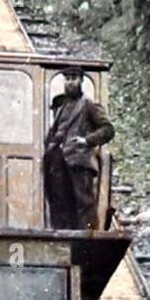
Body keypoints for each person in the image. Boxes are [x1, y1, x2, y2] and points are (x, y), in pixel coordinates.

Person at [43, 69, 114, 231]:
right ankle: (62, 237)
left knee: (84, 204)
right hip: (58, 162)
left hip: (79, 162)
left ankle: (86, 241)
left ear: (81, 81)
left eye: (74, 78)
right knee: (59, 203)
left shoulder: (88, 105)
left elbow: (108, 129)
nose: (70, 82)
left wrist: (87, 140)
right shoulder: (61, 106)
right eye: (67, 79)